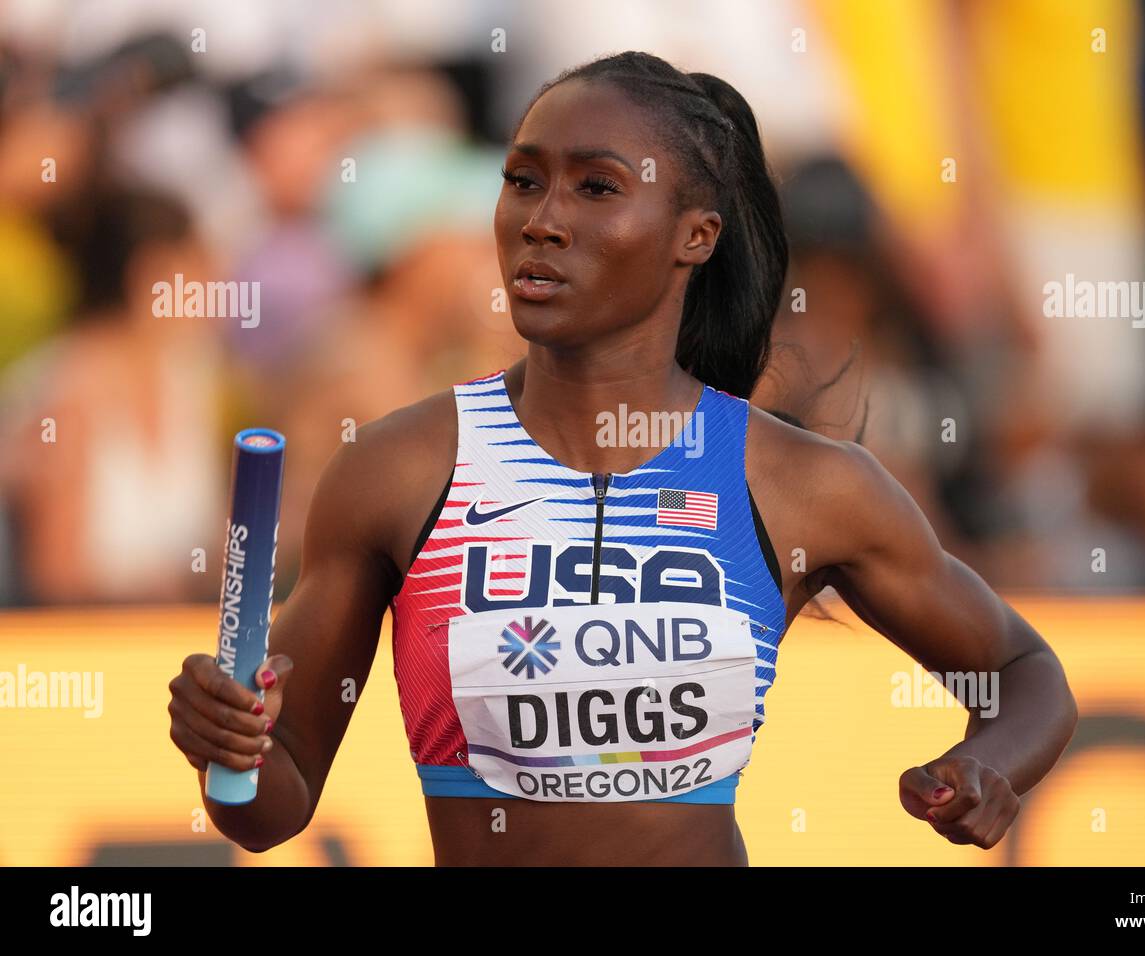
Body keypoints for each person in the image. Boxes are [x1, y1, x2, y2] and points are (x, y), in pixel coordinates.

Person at [167, 51, 1078, 866]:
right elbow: (267, 810)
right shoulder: (400, 472)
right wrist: (229, 752)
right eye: (523, 181)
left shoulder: (799, 484)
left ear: (697, 234)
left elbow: (1022, 672)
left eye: (595, 188)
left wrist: (986, 768)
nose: (542, 221)